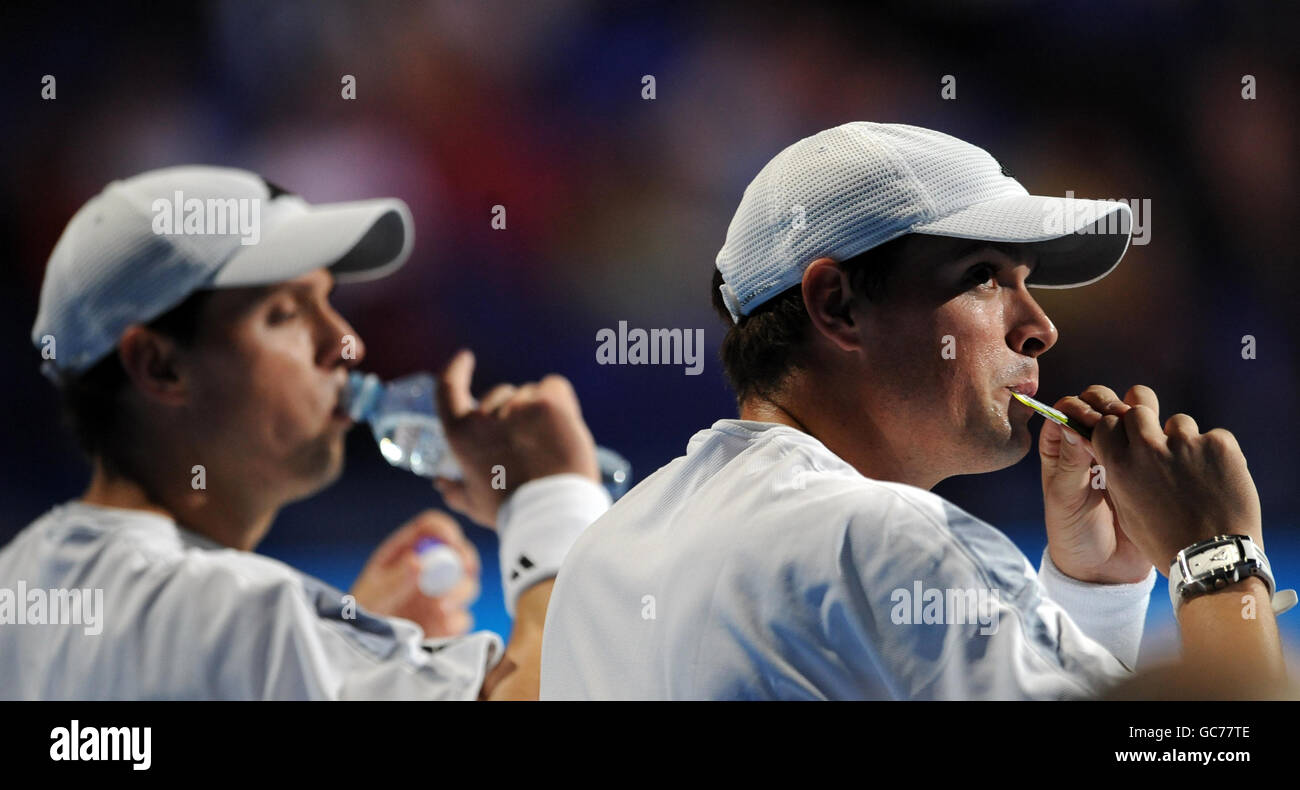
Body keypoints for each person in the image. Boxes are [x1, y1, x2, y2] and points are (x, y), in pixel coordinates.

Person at [539, 122, 1291, 700]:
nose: (1040, 327)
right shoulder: (885, 541)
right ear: (837, 305)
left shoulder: (605, 553)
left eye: (1025, 281)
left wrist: (1094, 594)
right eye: (984, 276)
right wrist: (1217, 558)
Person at [0, 165, 611, 700]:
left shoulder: (21, 583)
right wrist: (551, 507)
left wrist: (342, 655)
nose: (347, 343)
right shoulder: (236, 613)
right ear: (160, 366)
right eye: (285, 314)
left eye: (329, 301)